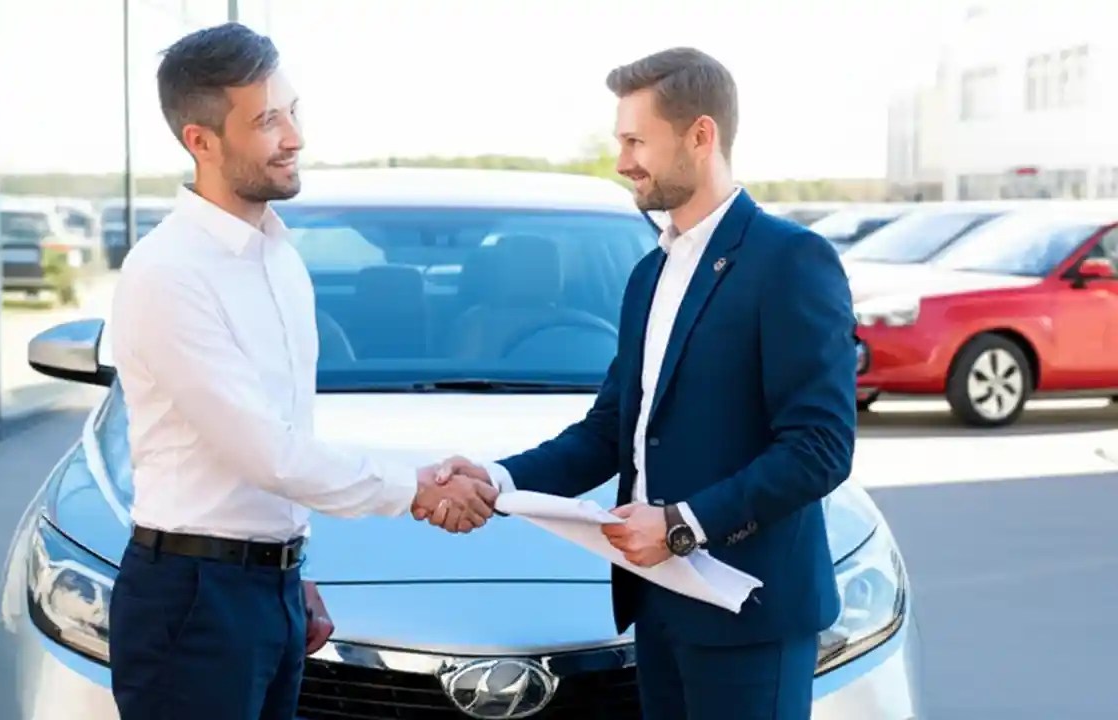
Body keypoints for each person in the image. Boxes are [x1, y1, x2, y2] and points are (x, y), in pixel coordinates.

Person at [432, 47, 857, 719]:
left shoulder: (791, 260)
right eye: (619, 140)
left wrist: (682, 525)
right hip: (656, 607)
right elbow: (611, 433)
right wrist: (496, 481)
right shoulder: (647, 276)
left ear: (700, 135)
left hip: (748, 615)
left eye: (635, 140)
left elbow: (820, 447)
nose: (622, 159)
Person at [106, 23, 497, 720]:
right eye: (266, 121)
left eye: (293, 111)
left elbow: (291, 438)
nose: (294, 136)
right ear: (201, 142)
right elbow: (268, 452)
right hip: (195, 602)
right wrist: (416, 488)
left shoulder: (280, 257)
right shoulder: (169, 272)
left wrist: (290, 572)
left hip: (265, 588)